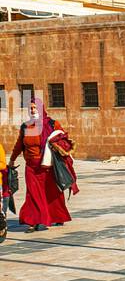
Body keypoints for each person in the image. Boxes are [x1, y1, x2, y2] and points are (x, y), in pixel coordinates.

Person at [9, 98, 78, 232]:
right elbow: (19, 145)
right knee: (33, 193)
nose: (32, 110)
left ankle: (57, 216)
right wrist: (12, 159)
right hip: (31, 166)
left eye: (35, 107)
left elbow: (63, 140)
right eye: (31, 108)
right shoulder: (26, 126)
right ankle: (37, 221)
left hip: (47, 166)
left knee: (52, 192)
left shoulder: (52, 124)